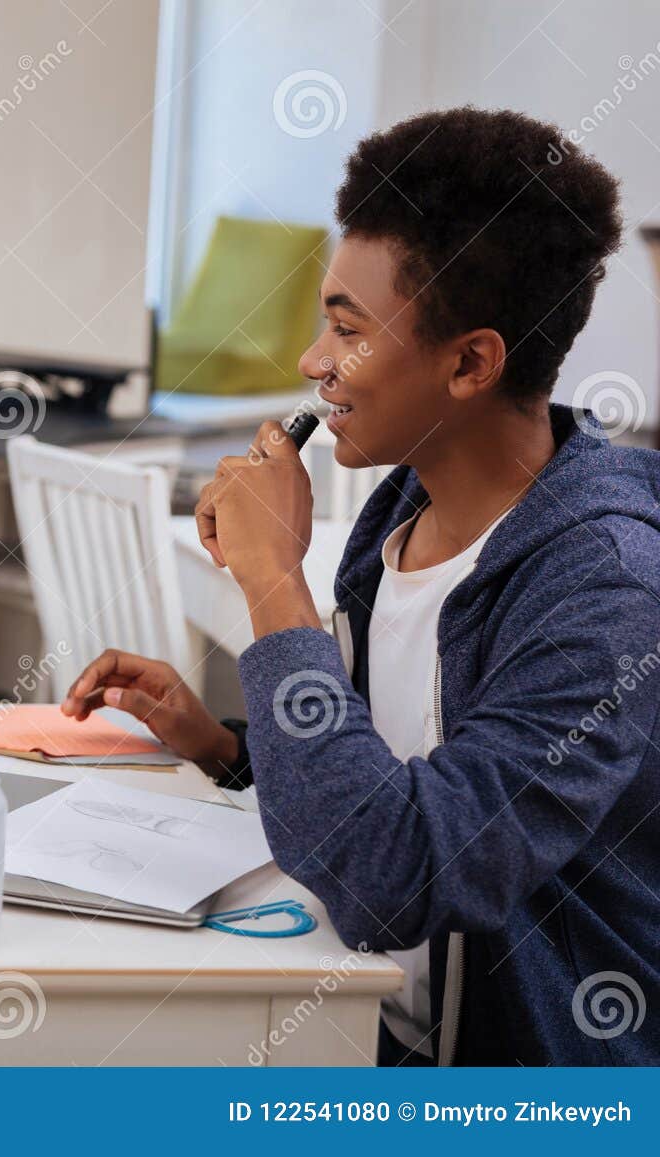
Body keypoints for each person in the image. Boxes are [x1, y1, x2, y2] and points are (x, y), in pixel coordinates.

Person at [63, 107, 660, 1065]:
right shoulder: (397, 518)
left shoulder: (604, 594)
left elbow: (396, 876)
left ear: (470, 361)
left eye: (348, 329)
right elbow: (385, 787)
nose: (313, 363)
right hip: (368, 1035)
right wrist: (224, 749)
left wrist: (273, 587)